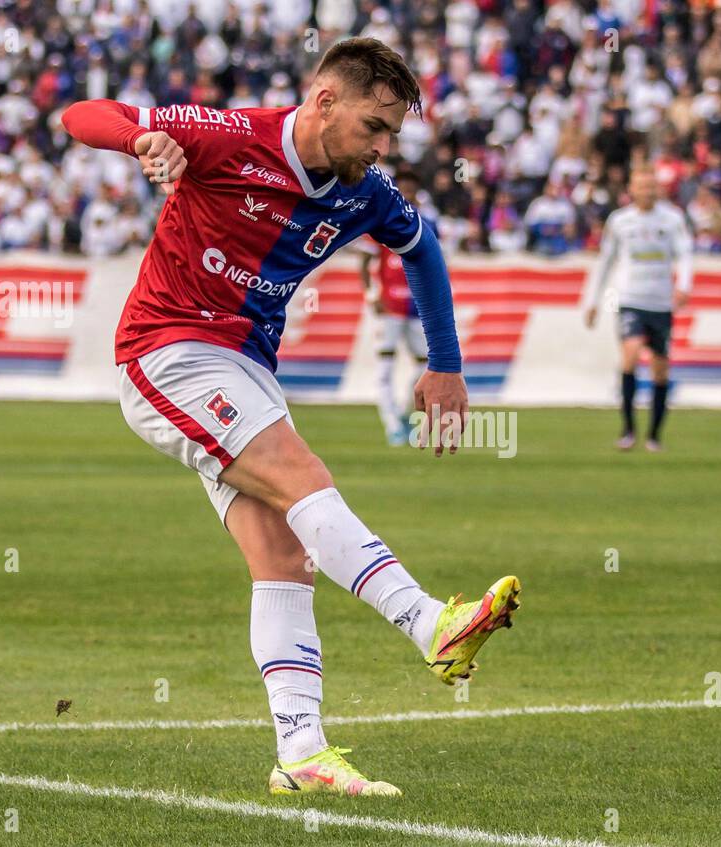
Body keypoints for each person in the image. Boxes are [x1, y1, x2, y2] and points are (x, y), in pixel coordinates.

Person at [61, 38, 521, 798]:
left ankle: (301, 753)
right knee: (305, 476)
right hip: (168, 350)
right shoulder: (227, 138)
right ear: (324, 100)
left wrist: (445, 363)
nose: (381, 148)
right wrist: (140, 138)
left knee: (282, 559)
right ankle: (429, 625)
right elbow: (84, 112)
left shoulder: (364, 190)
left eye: (392, 136)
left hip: (247, 369)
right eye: (373, 127)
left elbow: (423, 246)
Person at [583, 165, 694, 451]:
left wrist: (684, 284)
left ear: (659, 189)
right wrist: (593, 301)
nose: (647, 191)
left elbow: (684, 254)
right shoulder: (620, 221)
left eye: (651, 186)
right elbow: (606, 261)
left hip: (660, 301)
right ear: (631, 190)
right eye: (642, 186)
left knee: (660, 371)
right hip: (630, 299)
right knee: (630, 356)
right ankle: (629, 429)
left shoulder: (672, 219)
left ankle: (654, 435)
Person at [354, 167, 431, 445]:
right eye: (405, 189)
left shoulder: (424, 221)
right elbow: (364, 260)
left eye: (413, 190)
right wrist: (371, 294)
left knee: (426, 366)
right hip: (389, 308)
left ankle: (403, 413)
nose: (409, 194)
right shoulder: (383, 220)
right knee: (385, 368)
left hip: (416, 307)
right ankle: (392, 425)